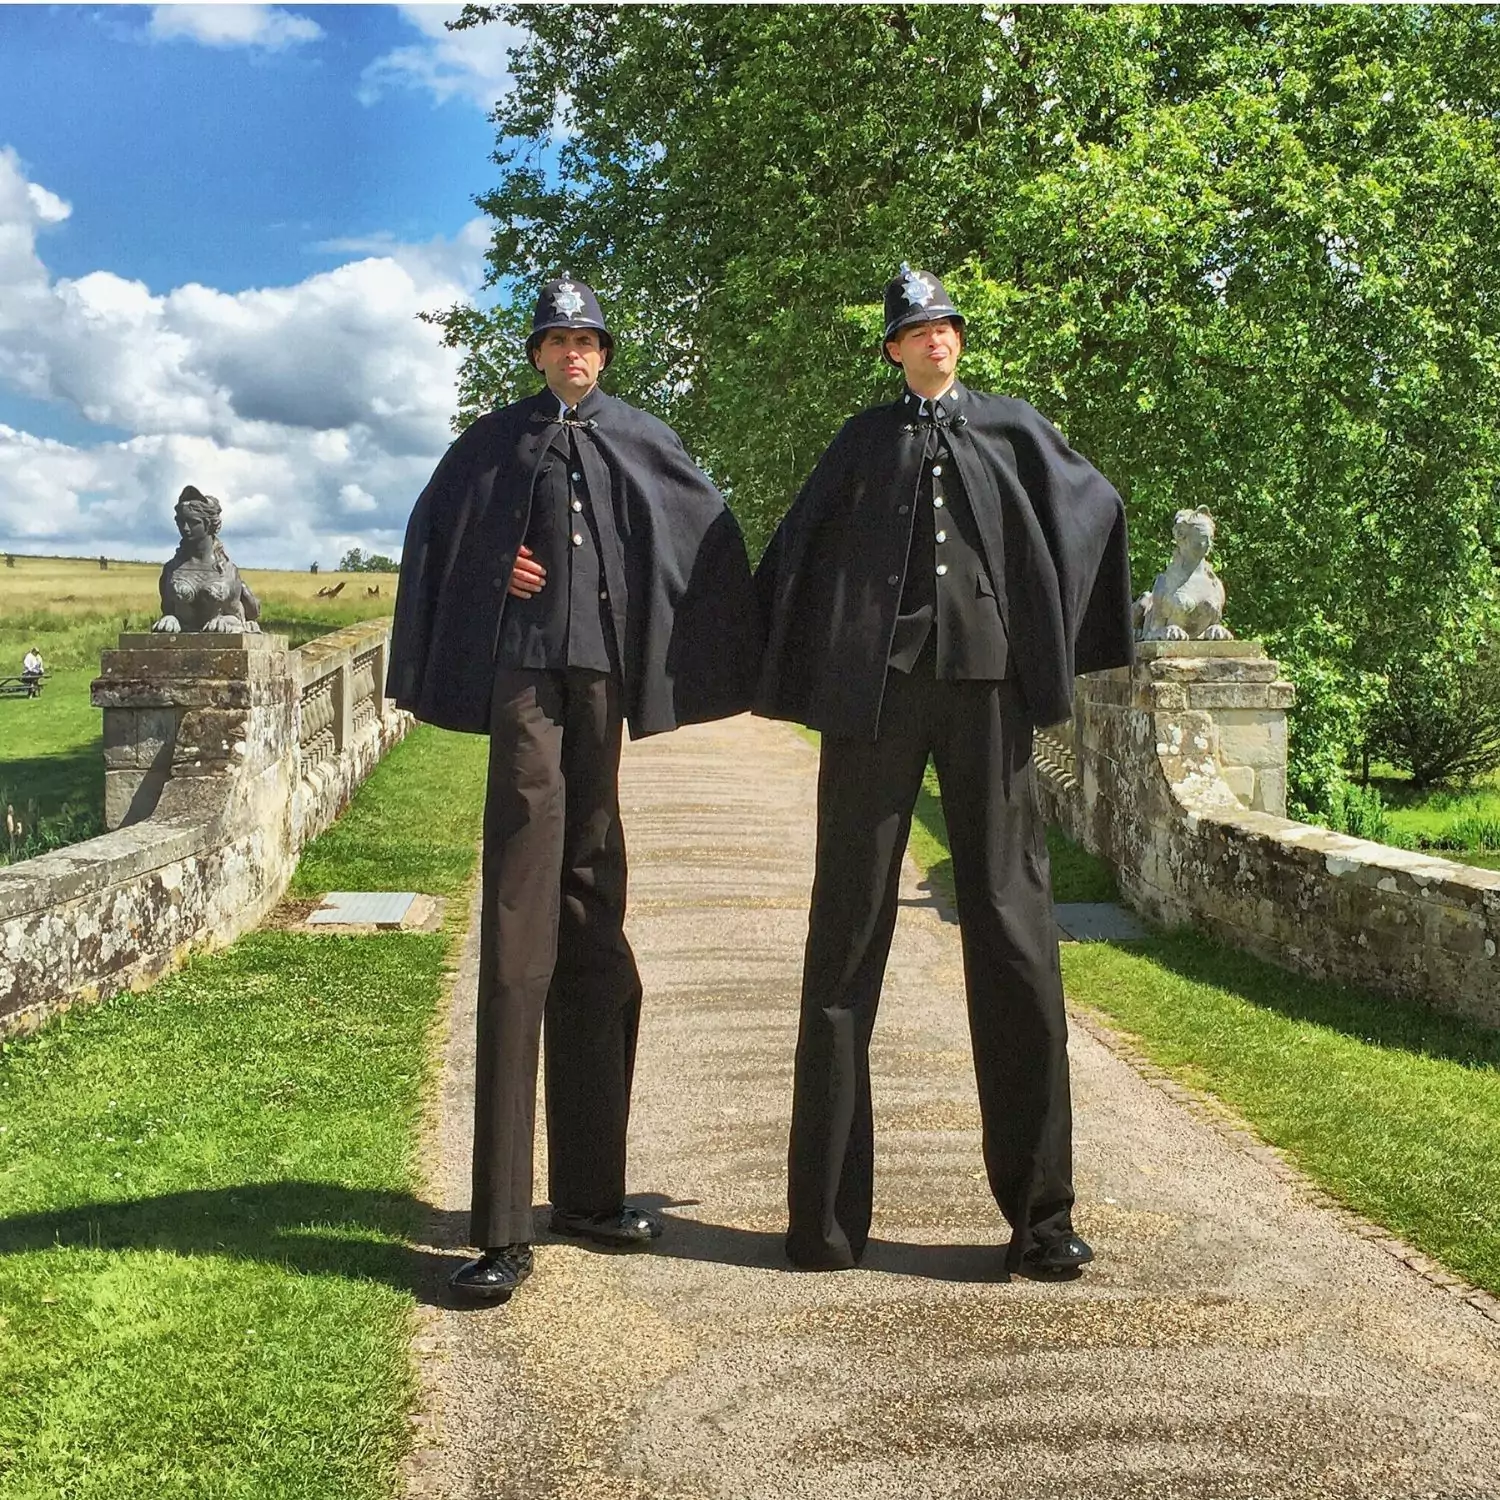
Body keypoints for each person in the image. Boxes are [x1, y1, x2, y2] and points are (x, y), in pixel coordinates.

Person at [755, 265, 1134, 1277]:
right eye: (918, 330)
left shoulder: (1013, 429)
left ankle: (1042, 1220)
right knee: (843, 936)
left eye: (947, 327)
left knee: (1014, 935)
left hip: (990, 701)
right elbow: (794, 554)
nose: (937, 340)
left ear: (959, 340)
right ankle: (826, 1224)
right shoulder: (860, 444)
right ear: (892, 348)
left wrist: (1045, 616)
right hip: (872, 712)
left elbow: (1094, 507)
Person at [388, 277, 760, 1302]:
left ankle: (592, 1196)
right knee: (520, 921)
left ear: (605, 352)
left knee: (596, 907)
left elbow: (703, 543)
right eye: (557, 341)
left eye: (588, 341)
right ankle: (501, 1225)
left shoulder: (642, 436)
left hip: (602, 692)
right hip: (524, 687)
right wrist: (488, 569)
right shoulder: (491, 444)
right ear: (537, 353)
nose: (574, 355)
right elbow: (435, 548)